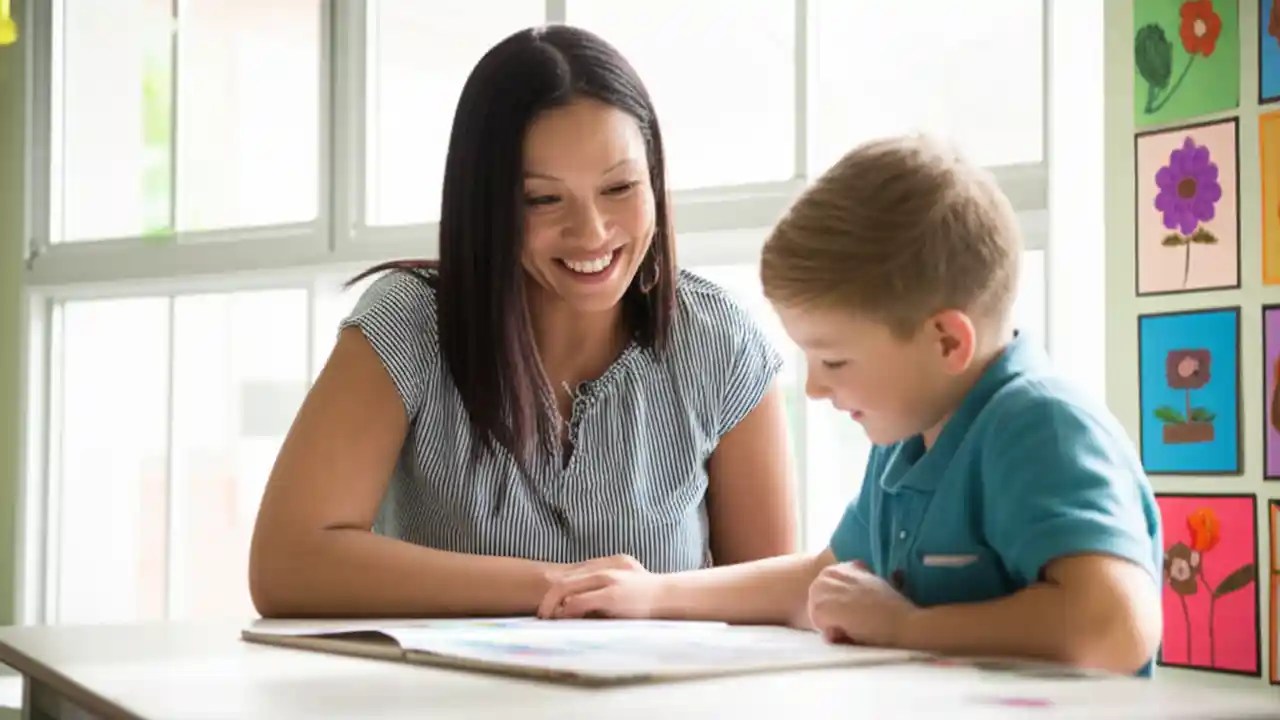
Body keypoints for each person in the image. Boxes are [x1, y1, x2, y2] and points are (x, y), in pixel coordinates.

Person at [538, 134, 1164, 676]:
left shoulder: (1040, 429)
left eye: (834, 361)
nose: (812, 387)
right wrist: (654, 595)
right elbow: (818, 579)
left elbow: (1112, 626)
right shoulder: (907, 437)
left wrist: (908, 627)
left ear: (947, 340)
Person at [248, 25, 798, 618]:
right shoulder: (407, 324)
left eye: (619, 188)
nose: (591, 232)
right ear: (487, 205)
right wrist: (557, 586)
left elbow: (768, 605)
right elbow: (287, 564)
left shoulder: (721, 344)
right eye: (542, 199)